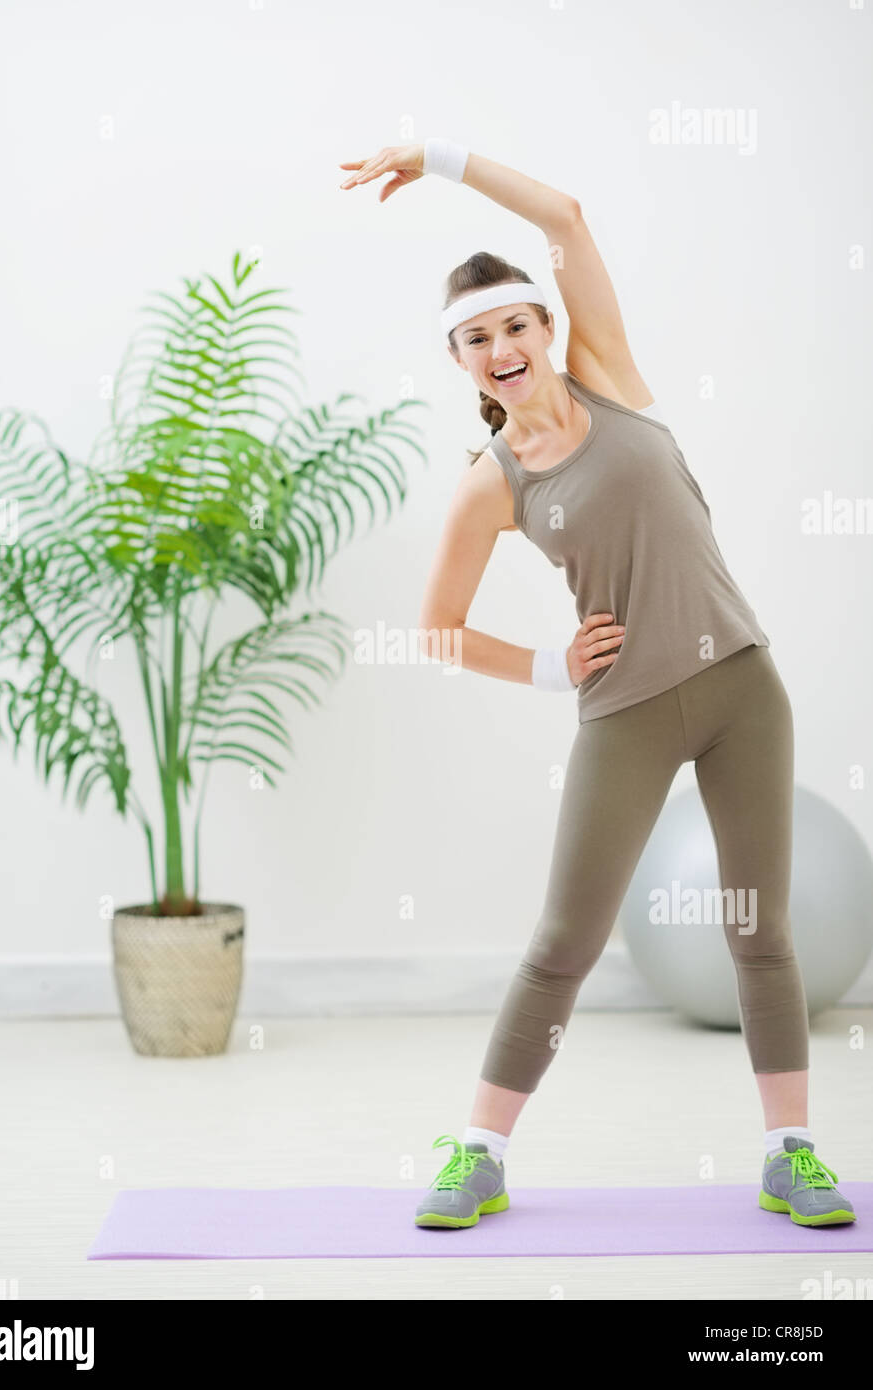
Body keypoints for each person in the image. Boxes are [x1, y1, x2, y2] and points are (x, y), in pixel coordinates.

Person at [339, 139, 856, 1232]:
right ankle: (478, 1154)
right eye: (477, 338)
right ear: (463, 363)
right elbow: (435, 629)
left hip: (743, 691)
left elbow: (566, 218)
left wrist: (438, 159)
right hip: (623, 712)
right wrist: (545, 665)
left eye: (516, 323)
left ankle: (790, 1153)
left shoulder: (610, 377)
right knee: (563, 943)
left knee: (759, 929)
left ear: (545, 328)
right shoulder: (493, 482)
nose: (503, 345)